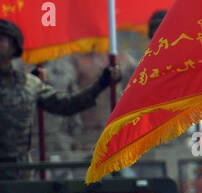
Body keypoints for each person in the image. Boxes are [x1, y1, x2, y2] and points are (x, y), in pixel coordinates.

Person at [0, 20, 121, 166]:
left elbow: (67, 105)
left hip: (20, 172)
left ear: (14, 46)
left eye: (1, 39)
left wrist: (101, 84)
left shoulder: (29, 84)